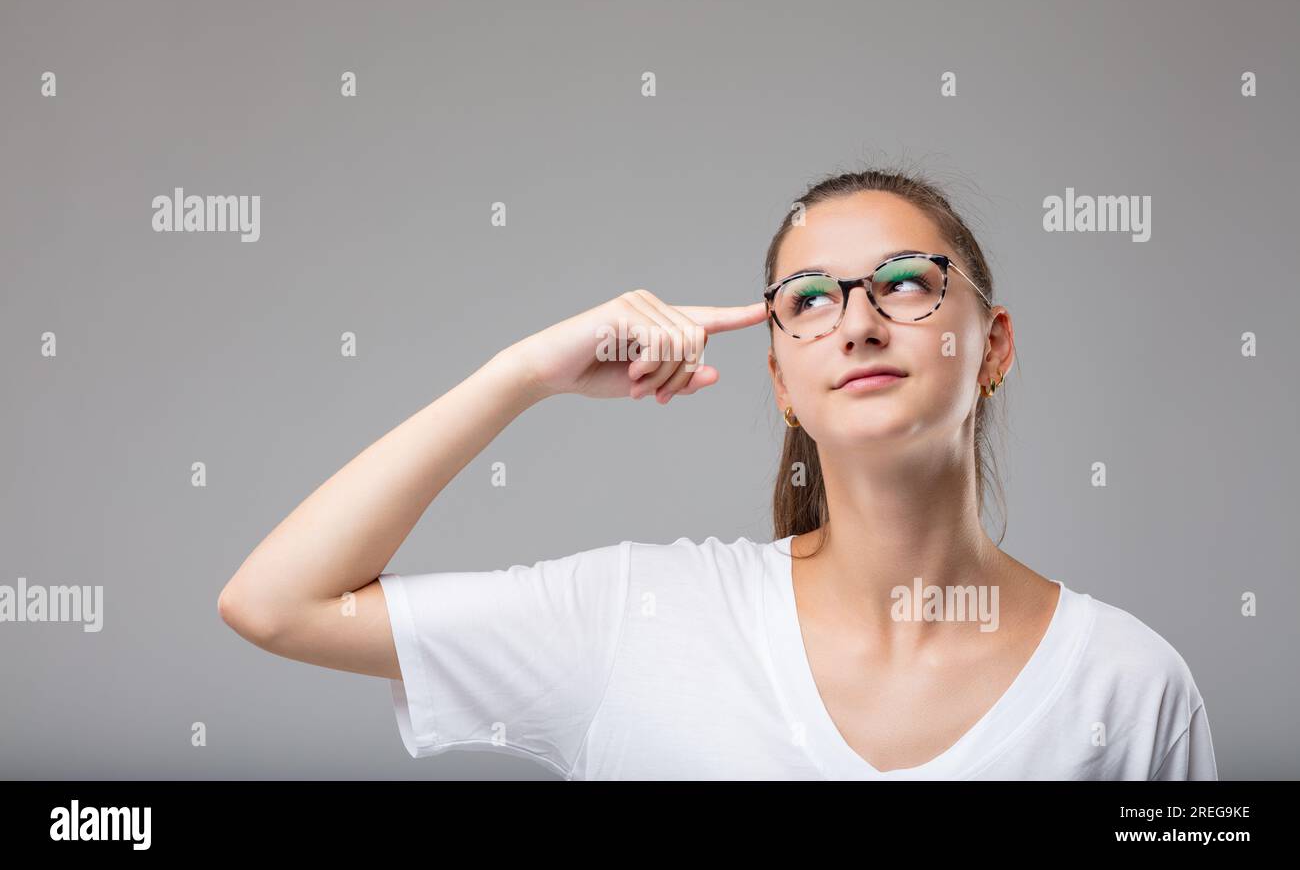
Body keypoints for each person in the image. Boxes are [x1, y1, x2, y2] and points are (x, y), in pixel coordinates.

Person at [217, 166, 1218, 780]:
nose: (860, 320)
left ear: (991, 346)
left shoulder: (1128, 686)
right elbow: (275, 601)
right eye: (812, 299)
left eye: (906, 282)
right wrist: (521, 372)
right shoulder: (636, 617)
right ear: (781, 377)